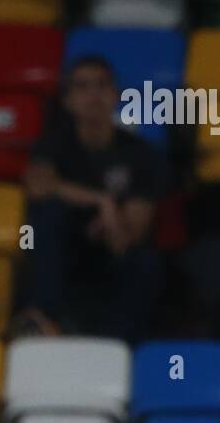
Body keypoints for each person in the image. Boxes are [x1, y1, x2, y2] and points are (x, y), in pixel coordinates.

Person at [13, 54, 166, 343]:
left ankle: (121, 347)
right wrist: (102, 202)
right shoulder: (52, 144)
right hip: (59, 251)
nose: (93, 95)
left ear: (116, 95)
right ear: (68, 100)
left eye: (101, 86)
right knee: (39, 222)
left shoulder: (141, 154)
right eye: (82, 87)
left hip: (108, 254)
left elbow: (130, 236)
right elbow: (38, 187)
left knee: (145, 261)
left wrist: (111, 223)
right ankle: (44, 320)